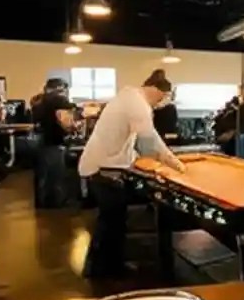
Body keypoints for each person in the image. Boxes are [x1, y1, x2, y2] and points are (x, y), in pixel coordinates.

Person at [78, 70, 186, 279]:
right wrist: (173, 162)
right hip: (104, 170)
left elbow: (132, 141)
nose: (162, 104)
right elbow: (148, 142)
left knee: (109, 223)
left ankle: (99, 268)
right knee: (111, 224)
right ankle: (106, 272)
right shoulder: (138, 104)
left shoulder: (128, 97)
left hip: (100, 167)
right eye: (164, 98)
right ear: (158, 92)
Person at [32, 78, 76, 208]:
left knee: (43, 177)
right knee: (56, 177)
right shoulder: (59, 100)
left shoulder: (39, 103)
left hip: (40, 143)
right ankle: (56, 204)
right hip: (54, 143)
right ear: (60, 88)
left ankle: (43, 204)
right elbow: (66, 122)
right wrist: (74, 127)